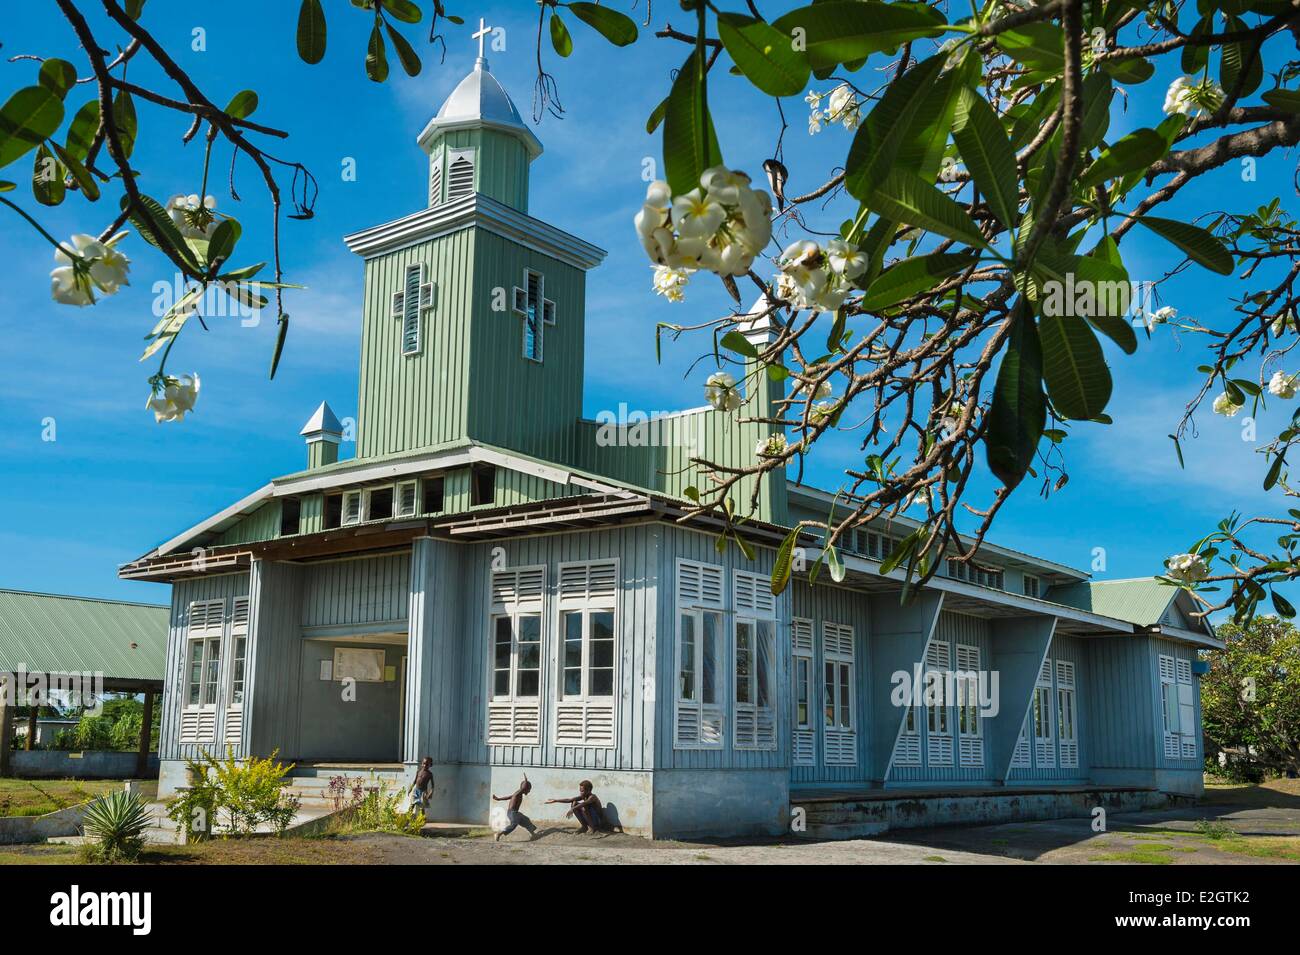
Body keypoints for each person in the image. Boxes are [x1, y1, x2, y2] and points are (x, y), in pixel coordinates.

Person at [492, 775, 536, 841]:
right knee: (514, 824)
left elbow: (508, 797)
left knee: (526, 820)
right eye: (529, 789)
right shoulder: (519, 792)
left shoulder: (517, 794)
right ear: (525, 788)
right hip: (512, 813)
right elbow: (523, 788)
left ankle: (533, 834)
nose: (529, 791)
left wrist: (499, 799)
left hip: (515, 813)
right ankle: (499, 833)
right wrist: (526, 781)